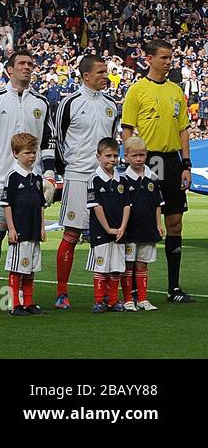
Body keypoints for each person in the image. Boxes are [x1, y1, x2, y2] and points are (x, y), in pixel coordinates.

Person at [0, 50, 53, 312]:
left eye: (31, 63)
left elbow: (48, 143)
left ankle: (17, 299)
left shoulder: (41, 102)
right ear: (9, 70)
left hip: (33, 180)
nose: (27, 67)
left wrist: (49, 176)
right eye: (22, 64)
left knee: (26, 238)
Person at [120, 39, 194, 302]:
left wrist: (186, 164)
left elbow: (184, 129)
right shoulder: (137, 90)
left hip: (172, 161)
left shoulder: (176, 91)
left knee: (175, 223)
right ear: (148, 59)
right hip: (147, 160)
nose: (168, 61)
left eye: (170, 57)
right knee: (141, 222)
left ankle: (173, 288)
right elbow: (127, 128)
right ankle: (132, 289)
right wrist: (130, 159)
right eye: (163, 57)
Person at [47, 54, 121, 310]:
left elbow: (111, 142)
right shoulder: (69, 103)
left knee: (108, 234)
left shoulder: (112, 105)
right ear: (86, 75)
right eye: (101, 72)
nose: (106, 76)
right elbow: (56, 140)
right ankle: (61, 292)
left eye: (106, 72)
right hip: (78, 176)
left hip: (105, 179)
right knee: (71, 233)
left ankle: (106, 295)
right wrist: (65, 170)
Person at [0, 132, 47, 316]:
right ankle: (14, 304)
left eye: (34, 152)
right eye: (28, 152)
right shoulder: (12, 176)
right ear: (16, 153)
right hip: (19, 231)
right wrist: (11, 228)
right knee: (17, 268)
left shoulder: (36, 177)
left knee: (30, 268)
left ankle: (28, 302)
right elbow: (6, 204)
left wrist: (42, 227)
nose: (32, 156)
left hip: (34, 229)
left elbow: (41, 204)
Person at [87, 137, 131, 313]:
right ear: (98, 156)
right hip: (101, 232)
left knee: (116, 267)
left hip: (120, 231)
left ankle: (113, 300)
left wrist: (122, 227)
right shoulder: (94, 179)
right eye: (108, 155)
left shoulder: (122, 179)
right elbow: (96, 206)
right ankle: (99, 300)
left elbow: (127, 205)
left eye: (115, 155)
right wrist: (107, 228)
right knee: (101, 266)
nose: (112, 159)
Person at [120, 136, 164, 312]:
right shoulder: (123, 179)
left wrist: (158, 224)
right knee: (128, 264)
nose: (138, 159)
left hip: (148, 228)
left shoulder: (153, 177)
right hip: (130, 229)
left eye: (142, 155)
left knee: (143, 264)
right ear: (127, 156)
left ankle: (143, 299)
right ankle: (129, 299)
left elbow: (158, 204)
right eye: (134, 155)